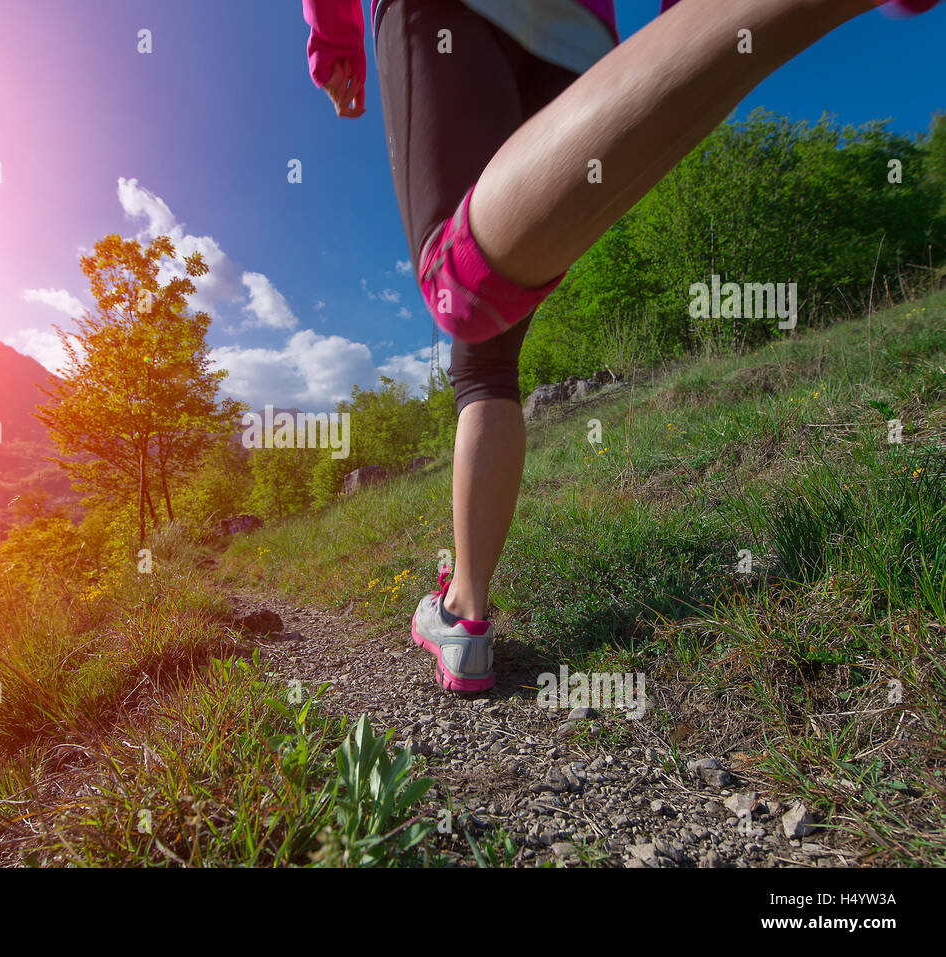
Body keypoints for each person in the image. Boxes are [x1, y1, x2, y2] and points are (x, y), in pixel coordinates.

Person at [301, 0, 939, 692]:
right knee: (484, 357)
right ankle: (465, 608)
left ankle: (466, 609)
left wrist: (333, 41)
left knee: (460, 286)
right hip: (581, 45)